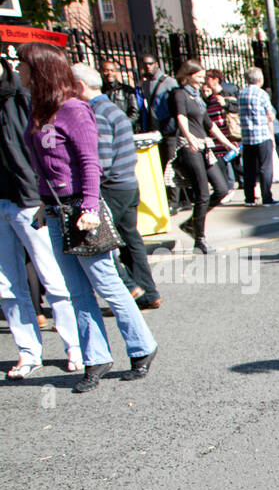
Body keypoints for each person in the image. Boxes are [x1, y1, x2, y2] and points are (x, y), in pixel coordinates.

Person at [19, 42, 158, 393]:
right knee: (74, 290)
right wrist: (41, 203)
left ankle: (142, 348)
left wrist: (91, 208)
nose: (18, 72)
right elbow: (45, 166)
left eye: (23, 66)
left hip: (81, 208)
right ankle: (95, 358)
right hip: (54, 209)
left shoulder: (75, 110)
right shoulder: (39, 111)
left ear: (41, 71)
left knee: (107, 285)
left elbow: (89, 163)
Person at [0, 56, 81, 378]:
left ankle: (75, 346)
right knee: (6, 285)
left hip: (28, 200)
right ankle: (28, 352)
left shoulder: (22, 94)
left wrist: (40, 196)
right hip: (3, 201)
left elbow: (42, 149)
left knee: (53, 278)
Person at [71, 63, 163, 311]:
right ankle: (148, 293)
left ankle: (130, 289)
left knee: (101, 241)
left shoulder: (96, 113)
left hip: (111, 187)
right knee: (131, 240)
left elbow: (101, 160)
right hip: (128, 185)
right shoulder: (112, 108)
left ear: (80, 86)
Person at [171, 60, 238, 254]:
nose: (203, 81)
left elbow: (208, 123)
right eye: (199, 76)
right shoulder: (180, 94)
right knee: (202, 193)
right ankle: (199, 240)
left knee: (222, 188)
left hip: (205, 146)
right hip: (189, 147)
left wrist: (226, 142)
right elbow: (181, 116)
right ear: (189, 75)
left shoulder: (198, 96)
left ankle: (192, 223)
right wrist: (189, 136)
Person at [140, 53, 179, 210]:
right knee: (161, 166)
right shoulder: (145, 83)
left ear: (157, 64)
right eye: (145, 64)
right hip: (154, 130)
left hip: (169, 130)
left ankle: (174, 201)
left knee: (171, 165)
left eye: (150, 63)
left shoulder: (169, 82)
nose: (147, 67)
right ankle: (168, 199)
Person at [238, 67, 279, 208]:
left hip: (246, 137)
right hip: (262, 135)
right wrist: (272, 137)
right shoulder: (262, 94)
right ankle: (267, 197)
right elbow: (270, 116)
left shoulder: (241, 94)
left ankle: (249, 198)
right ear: (260, 79)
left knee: (249, 168)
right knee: (265, 167)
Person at [204, 69, 241, 187]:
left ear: (215, 80)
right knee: (222, 161)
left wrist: (225, 104)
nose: (205, 81)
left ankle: (243, 184)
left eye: (207, 79)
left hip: (229, 133)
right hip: (216, 135)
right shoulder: (209, 98)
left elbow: (237, 109)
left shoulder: (227, 92)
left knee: (235, 160)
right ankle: (228, 187)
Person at [99, 58, 142, 132]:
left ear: (116, 72)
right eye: (106, 70)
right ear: (101, 72)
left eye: (112, 70)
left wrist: (123, 125)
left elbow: (135, 112)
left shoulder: (127, 90)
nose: (109, 73)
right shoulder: (99, 91)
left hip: (125, 129)